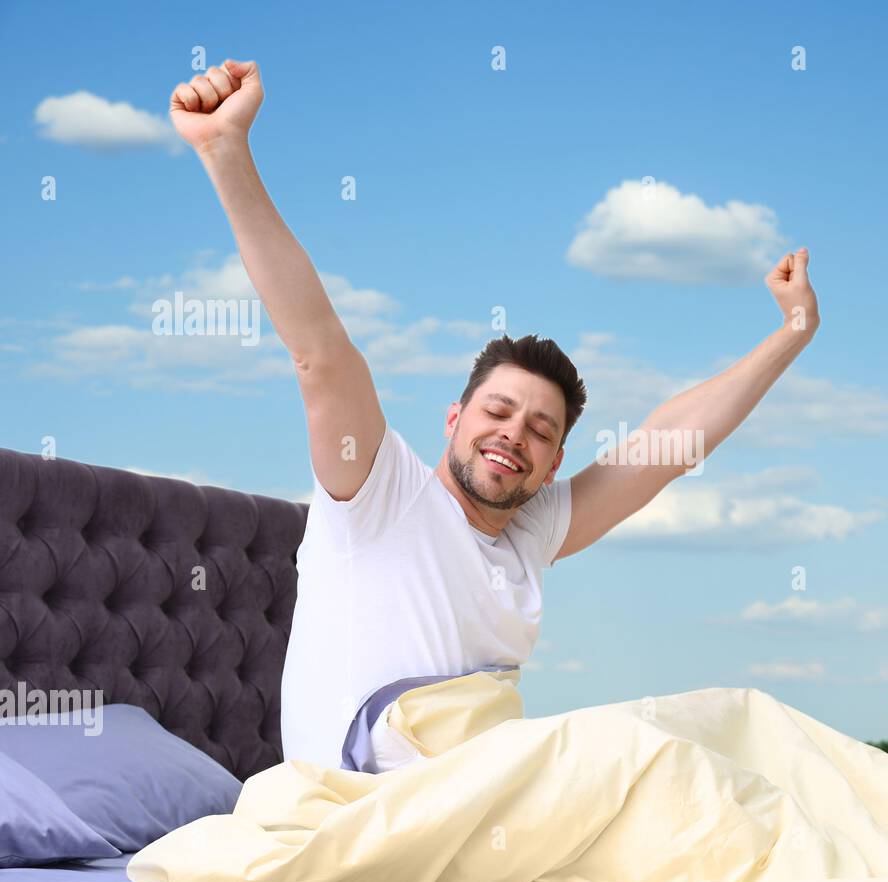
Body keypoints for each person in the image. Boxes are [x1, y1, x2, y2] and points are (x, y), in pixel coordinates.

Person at [168, 58, 822, 772]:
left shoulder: (529, 535)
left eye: (541, 430)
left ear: (553, 465)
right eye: (499, 410)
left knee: (731, 732)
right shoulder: (380, 495)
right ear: (454, 417)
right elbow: (319, 351)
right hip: (365, 809)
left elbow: (667, 446)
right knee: (642, 760)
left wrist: (790, 335)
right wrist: (224, 150)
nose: (515, 432)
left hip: (483, 796)